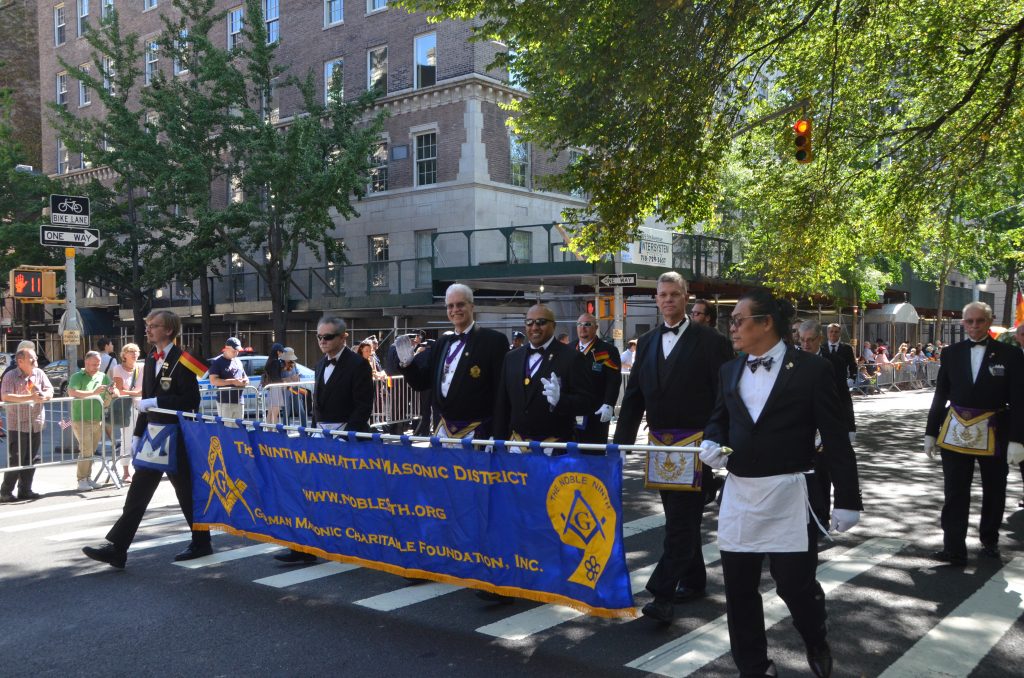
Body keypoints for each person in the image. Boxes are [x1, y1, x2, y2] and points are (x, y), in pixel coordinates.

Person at [700, 288, 862, 678]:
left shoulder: (812, 370)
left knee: (794, 585)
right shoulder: (729, 370)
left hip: (790, 492)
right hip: (740, 491)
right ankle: (754, 667)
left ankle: (815, 636)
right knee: (739, 589)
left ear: (766, 323)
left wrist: (848, 498)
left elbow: (835, 437)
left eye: (738, 320)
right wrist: (712, 442)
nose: (731, 328)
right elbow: (720, 419)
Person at [613, 271, 733, 624]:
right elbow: (634, 396)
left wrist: (718, 438)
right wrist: (620, 444)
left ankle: (661, 594)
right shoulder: (647, 341)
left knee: (680, 523)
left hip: (697, 448)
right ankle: (694, 580)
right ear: (656, 299)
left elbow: (724, 395)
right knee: (680, 518)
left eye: (674, 294)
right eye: (662, 294)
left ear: (686, 297)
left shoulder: (712, 341)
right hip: (660, 448)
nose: (668, 300)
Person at [82, 310, 212, 568]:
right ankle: (118, 548)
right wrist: (138, 434)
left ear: (169, 330)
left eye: (154, 325)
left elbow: (190, 400)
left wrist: (158, 402)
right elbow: (145, 402)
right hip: (153, 437)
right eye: (148, 325)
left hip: (177, 436)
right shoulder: (151, 359)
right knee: (138, 493)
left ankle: (202, 542)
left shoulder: (183, 359)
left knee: (186, 492)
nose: (149, 329)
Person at [924, 301, 1024, 565]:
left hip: (996, 430)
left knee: (995, 489)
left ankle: (989, 540)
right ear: (963, 323)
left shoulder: (1011, 355)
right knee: (955, 491)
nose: (974, 326)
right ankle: (953, 547)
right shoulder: (951, 353)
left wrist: (1018, 439)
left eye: (980, 321)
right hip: (955, 431)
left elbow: (1020, 400)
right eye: (969, 321)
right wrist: (930, 432)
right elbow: (940, 394)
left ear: (989, 322)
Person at [275, 317, 373, 566]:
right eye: (319, 337)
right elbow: (317, 407)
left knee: (352, 498)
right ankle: (304, 546)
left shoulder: (358, 365)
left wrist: (345, 437)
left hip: (347, 441)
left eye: (327, 337)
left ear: (343, 337)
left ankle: (364, 545)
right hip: (320, 440)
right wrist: (311, 435)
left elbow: (363, 406)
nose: (322, 341)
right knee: (310, 493)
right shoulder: (320, 364)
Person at [396, 283, 509, 440]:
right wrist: (408, 365)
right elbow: (422, 383)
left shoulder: (493, 341)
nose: (455, 310)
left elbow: (502, 393)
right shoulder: (441, 343)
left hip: (480, 431)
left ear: (472, 306)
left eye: (460, 304)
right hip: (444, 430)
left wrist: (497, 435)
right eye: (450, 306)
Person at [493, 304, 593, 447]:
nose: (534, 327)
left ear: (554, 325)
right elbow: (502, 404)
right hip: (515, 445)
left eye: (541, 322)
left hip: (554, 447)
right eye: (529, 322)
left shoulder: (572, 358)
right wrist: (497, 442)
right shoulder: (511, 357)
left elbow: (587, 403)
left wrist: (561, 400)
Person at [800, 321, 857, 531]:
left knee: (822, 472)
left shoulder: (833, 362)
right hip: (801, 430)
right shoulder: (791, 363)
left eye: (810, 340)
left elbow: (843, 397)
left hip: (825, 428)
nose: (806, 345)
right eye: (802, 340)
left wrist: (850, 427)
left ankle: (821, 517)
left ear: (819, 340)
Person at [0, 348, 53, 502]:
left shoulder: (39, 373)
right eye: (31, 357)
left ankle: (25, 490)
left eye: (35, 357)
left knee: (32, 459)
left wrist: (45, 396)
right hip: (18, 424)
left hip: (36, 422)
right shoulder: (10, 375)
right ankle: (5, 492)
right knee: (16, 459)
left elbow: (50, 389)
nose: (35, 359)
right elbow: (6, 396)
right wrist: (30, 397)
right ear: (20, 361)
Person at [68, 351, 117, 492]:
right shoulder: (77, 376)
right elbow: (72, 392)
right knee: (86, 449)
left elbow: (111, 393)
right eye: (94, 364)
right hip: (81, 419)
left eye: (98, 364)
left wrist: (113, 392)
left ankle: (88, 477)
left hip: (97, 419)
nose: (97, 367)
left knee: (91, 450)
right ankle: (81, 480)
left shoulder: (102, 376)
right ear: (86, 362)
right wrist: (94, 393)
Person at [574, 312, 622, 446]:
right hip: (572, 409)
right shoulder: (569, 349)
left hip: (597, 410)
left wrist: (609, 403)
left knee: (593, 450)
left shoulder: (607, 350)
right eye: (579, 324)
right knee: (571, 452)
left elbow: (613, 379)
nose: (583, 327)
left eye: (587, 324)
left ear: (596, 328)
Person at [110, 343, 143, 484]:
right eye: (131, 351)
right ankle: (126, 472)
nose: (134, 353)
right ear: (124, 355)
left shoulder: (142, 367)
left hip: (141, 407)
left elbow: (144, 390)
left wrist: (132, 393)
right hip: (126, 407)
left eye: (136, 351)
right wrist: (135, 393)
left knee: (142, 438)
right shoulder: (118, 368)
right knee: (126, 438)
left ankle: (140, 469)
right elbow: (119, 391)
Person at [208, 337, 249, 420]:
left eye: (237, 351)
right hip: (225, 402)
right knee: (227, 427)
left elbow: (246, 377)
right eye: (234, 351)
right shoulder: (217, 362)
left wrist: (245, 381)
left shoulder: (238, 361)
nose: (236, 353)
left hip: (239, 401)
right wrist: (233, 382)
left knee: (239, 427)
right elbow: (213, 381)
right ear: (226, 348)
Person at [279, 347, 306, 426]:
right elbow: (279, 379)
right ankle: (286, 429)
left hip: (295, 388)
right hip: (285, 389)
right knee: (286, 411)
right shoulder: (280, 365)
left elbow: (297, 375)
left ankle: (305, 429)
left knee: (300, 409)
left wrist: (297, 377)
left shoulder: (294, 364)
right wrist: (290, 379)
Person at [262, 343, 285, 425]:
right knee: (275, 413)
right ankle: (274, 430)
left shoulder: (269, 361)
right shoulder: (276, 362)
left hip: (270, 388)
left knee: (270, 413)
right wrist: (283, 383)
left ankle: (268, 430)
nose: (282, 353)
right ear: (278, 352)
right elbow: (276, 377)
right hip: (276, 388)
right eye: (282, 352)